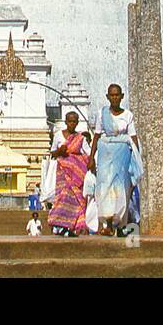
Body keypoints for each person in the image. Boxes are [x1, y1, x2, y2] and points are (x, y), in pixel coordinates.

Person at [87, 83, 142, 236]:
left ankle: (118, 223)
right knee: (104, 188)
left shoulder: (128, 115)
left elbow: (133, 137)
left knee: (121, 189)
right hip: (105, 153)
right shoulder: (101, 114)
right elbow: (96, 136)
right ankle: (107, 223)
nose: (115, 98)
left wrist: (135, 158)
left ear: (122, 96)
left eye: (117, 95)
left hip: (123, 154)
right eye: (112, 95)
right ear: (107, 97)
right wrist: (91, 158)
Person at [47, 110, 90, 237]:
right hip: (62, 172)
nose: (72, 124)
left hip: (76, 174)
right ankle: (59, 224)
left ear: (77, 123)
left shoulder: (80, 138)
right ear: (65, 122)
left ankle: (70, 227)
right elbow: (52, 153)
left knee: (76, 200)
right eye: (69, 121)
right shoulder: (58, 135)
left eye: (74, 121)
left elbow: (88, 154)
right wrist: (60, 151)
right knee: (63, 197)